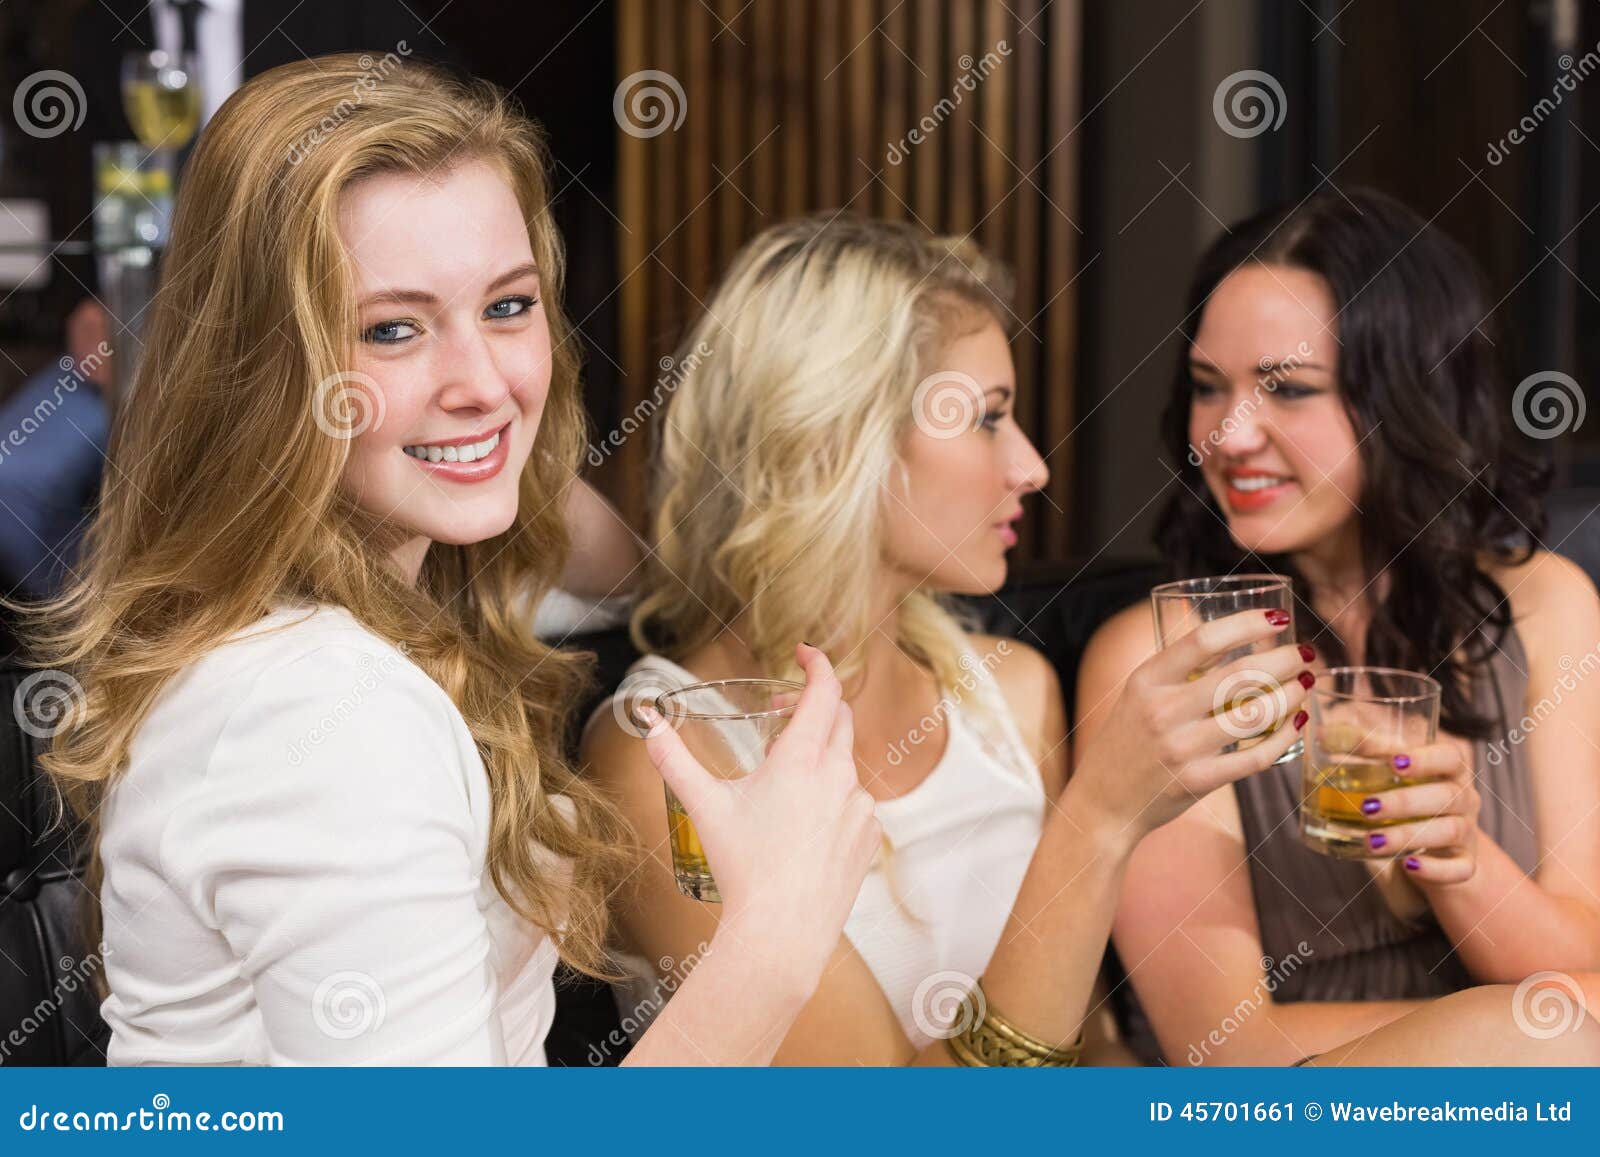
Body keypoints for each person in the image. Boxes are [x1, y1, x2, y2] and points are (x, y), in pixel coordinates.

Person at [17, 55, 880, 1067]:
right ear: (264, 369)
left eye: (508, 307)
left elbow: (637, 574)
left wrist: (483, 431)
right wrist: (774, 937)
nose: (481, 376)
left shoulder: (375, 604)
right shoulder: (318, 710)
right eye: (392, 328)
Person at [580, 216, 1597, 1067]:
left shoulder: (1008, 685)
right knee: (1539, 1038)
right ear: (834, 440)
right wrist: (1100, 813)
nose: (1030, 465)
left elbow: (1096, 1045)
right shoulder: (667, 753)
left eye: (1286, 387)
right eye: (985, 419)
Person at [1076, 188, 1600, 1065]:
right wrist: (1514, 1026)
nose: (1231, 435)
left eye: (1288, 389)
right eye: (1210, 388)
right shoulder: (1157, 655)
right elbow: (1226, 1047)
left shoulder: (1545, 605)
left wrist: (1458, 863)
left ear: (1404, 397)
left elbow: (1580, 959)